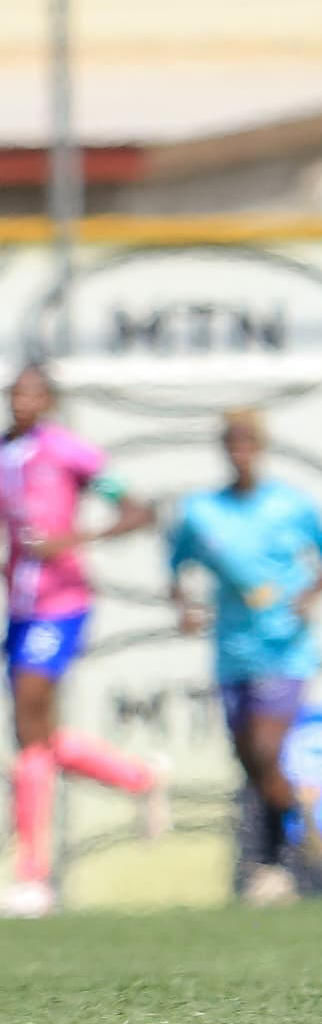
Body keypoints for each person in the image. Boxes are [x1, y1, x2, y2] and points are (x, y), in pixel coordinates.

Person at [3, 363, 168, 917]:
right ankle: (141, 778)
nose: (20, 400)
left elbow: (138, 508)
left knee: (29, 728)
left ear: (48, 400)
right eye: (14, 391)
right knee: (39, 737)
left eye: (32, 392)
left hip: (62, 606)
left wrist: (74, 537)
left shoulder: (67, 451)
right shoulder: (6, 453)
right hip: (22, 611)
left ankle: (34, 877)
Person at [166, 408, 322, 907]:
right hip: (232, 651)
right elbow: (176, 562)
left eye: (249, 441)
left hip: (286, 648)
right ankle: (292, 812)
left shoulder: (291, 506)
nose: (240, 449)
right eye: (233, 441)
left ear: (260, 448)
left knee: (266, 751)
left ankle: (272, 865)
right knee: (249, 762)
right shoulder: (203, 512)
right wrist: (183, 607)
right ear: (225, 448)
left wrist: (310, 596)